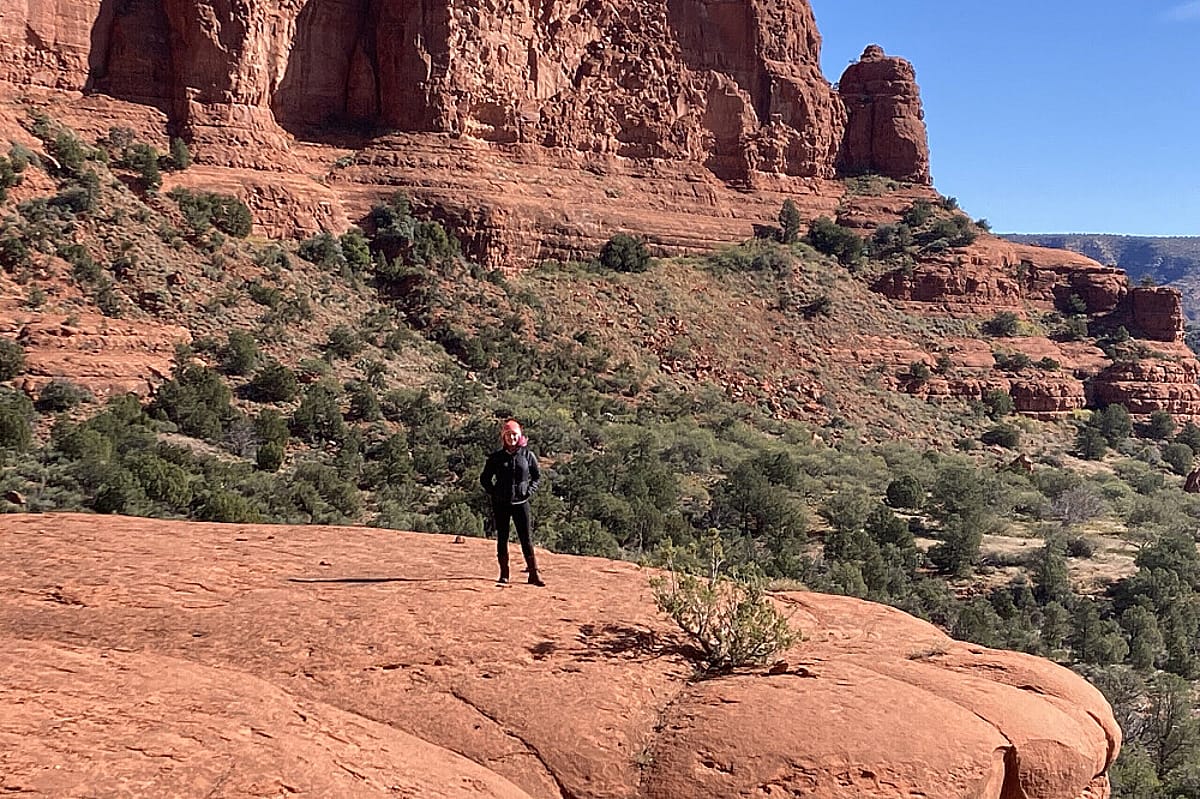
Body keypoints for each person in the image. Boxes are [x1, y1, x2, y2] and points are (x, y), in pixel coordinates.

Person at [480, 419, 544, 586]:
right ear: (504, 437)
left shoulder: (528, 456)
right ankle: (504, 574)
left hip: (521, 503)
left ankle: (533, 574)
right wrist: (495, 493)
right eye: (508, 435)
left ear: (520, 435)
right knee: (502, 538)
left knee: (526, 539)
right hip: (501, 504)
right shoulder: (496, 458)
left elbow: (536, 477)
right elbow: (485, 479)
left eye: (514, 434)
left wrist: (529, 491)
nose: (511, 438)